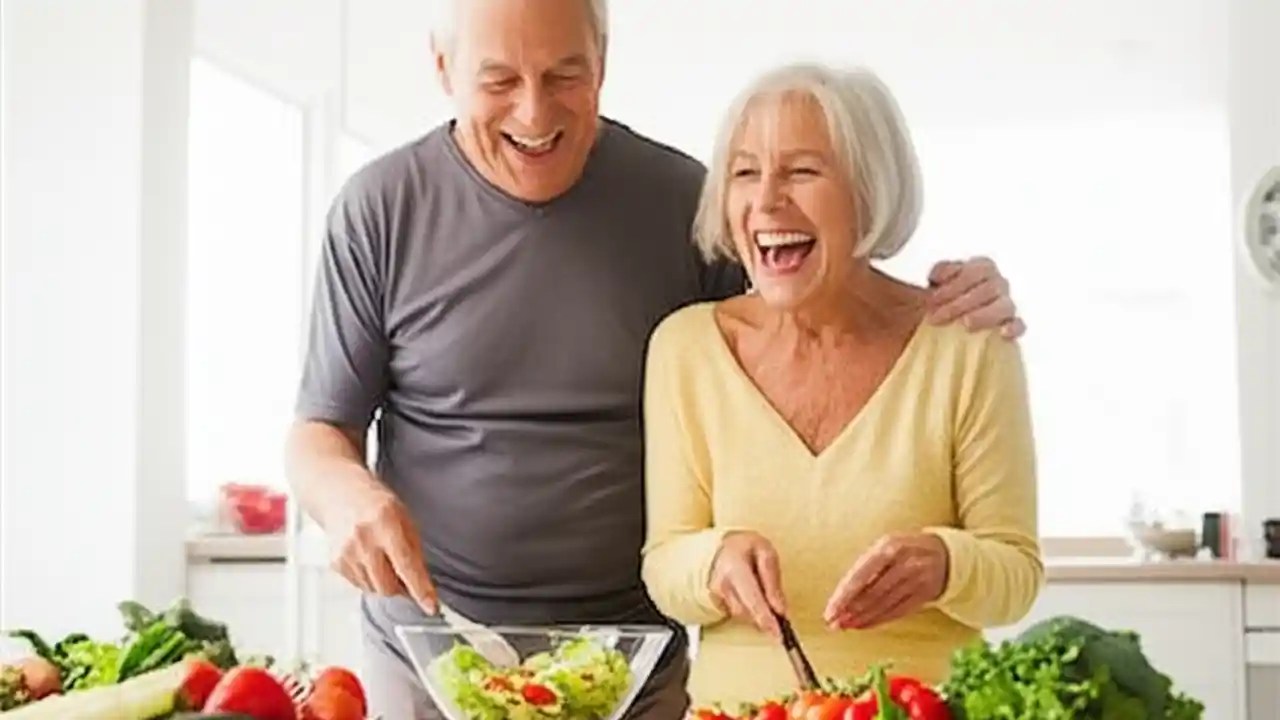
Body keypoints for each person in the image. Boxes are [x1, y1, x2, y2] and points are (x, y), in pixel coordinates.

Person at [285, 1, 1027, 717]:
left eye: (564, 74)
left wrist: (960, 297)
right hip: (436, 644)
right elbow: (320, 430)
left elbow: (809, 305)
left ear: (603, 63)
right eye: (500, 81)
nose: (535, 113)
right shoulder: (379, 209)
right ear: (444, 67)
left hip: (630, 661)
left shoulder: (682, 203)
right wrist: (348, 498)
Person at [639, 62, 1044, 710]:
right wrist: (713, 560)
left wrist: (946, 564)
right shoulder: (686, 349)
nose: (767, 201)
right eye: (745, 173)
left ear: (869, 190)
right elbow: (665, 566)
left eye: (801, 171)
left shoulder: (966, 346)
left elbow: (1016, 576)